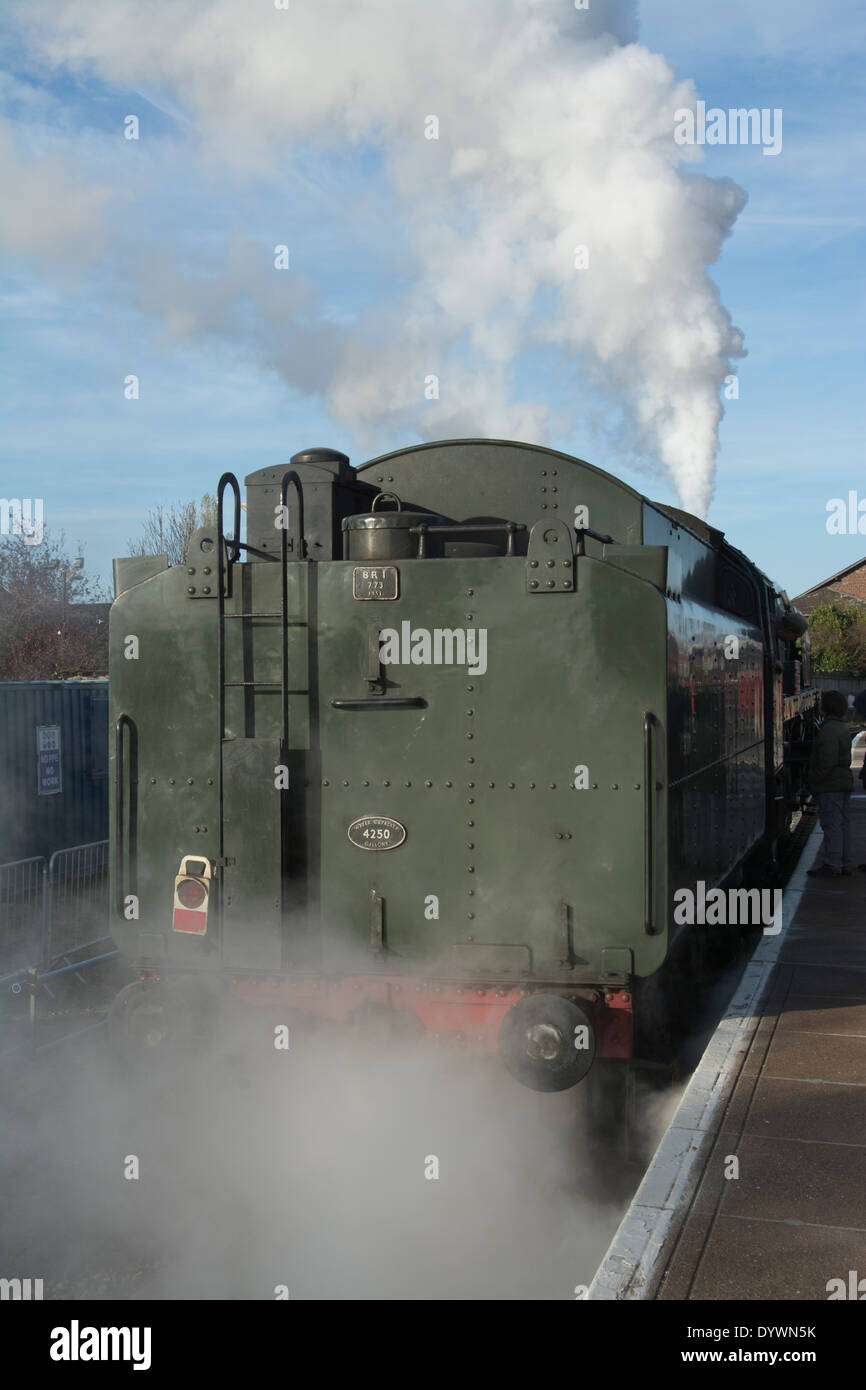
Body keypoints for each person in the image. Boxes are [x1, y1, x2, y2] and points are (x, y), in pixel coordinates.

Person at [807, 690, 854, 877]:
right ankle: (845, 862)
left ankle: (832, 864)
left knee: (831, 823)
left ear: (826, 707)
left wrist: (813, 780)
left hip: (831, 785)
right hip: (842, 782)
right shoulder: (841, 727)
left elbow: (827, 761)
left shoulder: (828, 730)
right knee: (843, 823)